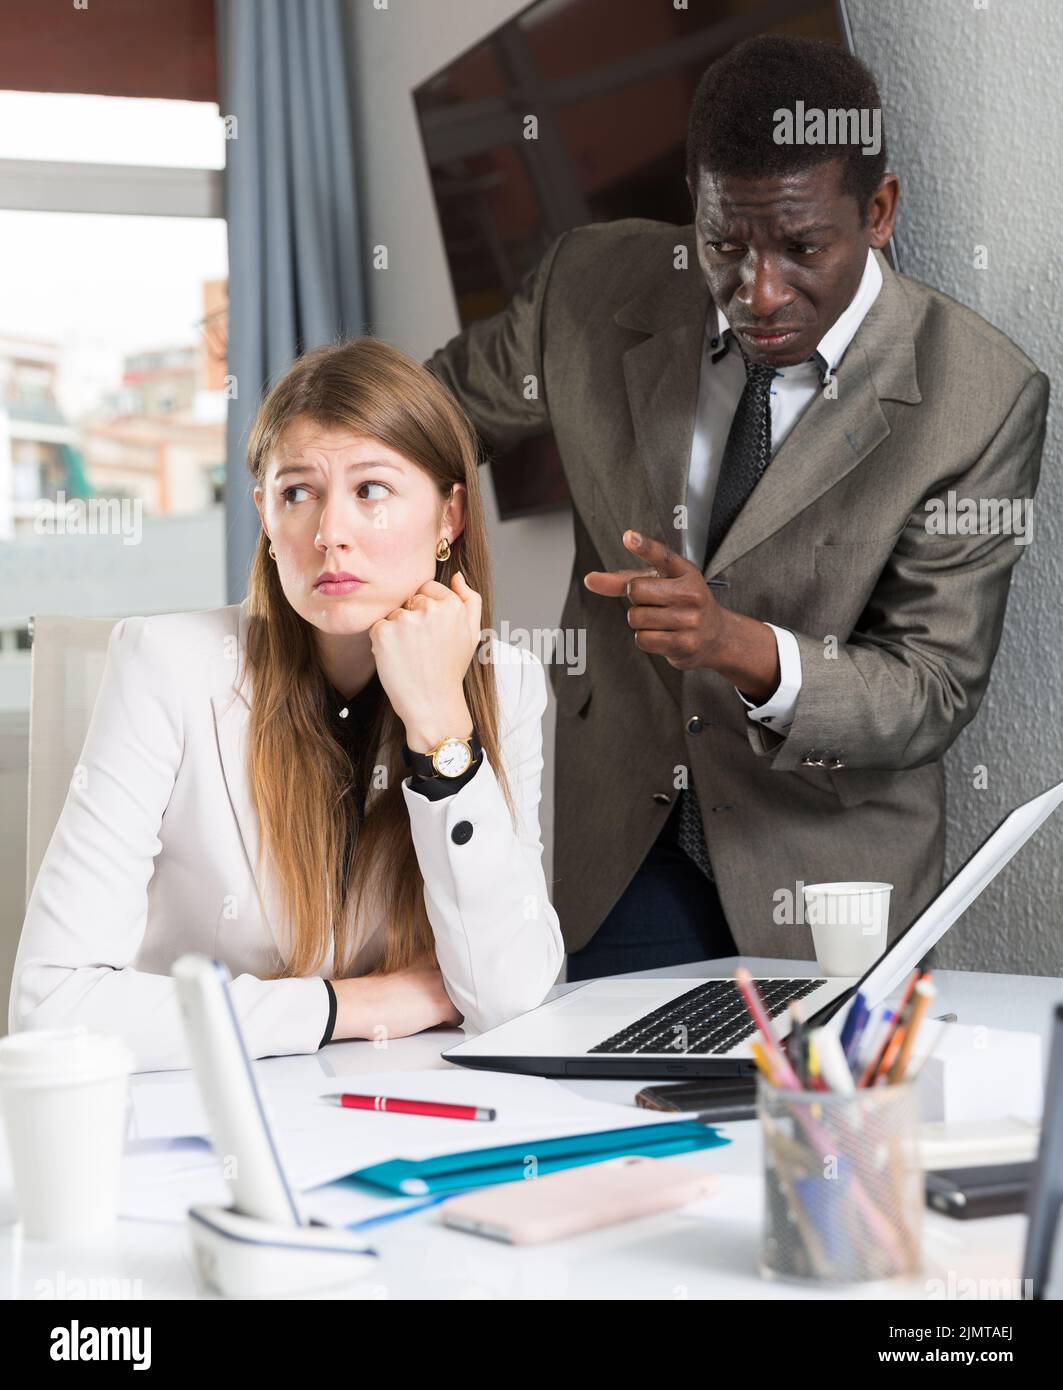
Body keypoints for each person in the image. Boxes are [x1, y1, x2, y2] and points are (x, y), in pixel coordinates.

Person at [426, 35, 1050, 979]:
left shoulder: (980, 395)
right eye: (724, 244)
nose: (757, 292)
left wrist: (735, 645)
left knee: (823, 1133)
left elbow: (929, 689)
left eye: (801, 247)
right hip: (616, 855)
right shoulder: (589, 286)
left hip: (831, 879)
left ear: (877, 213)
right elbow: (421, 423)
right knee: (606, 1116)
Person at [10, 338, 563, 1071]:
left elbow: (512, 997)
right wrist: (355, 1005)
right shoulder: (165, 666)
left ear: (448, 518)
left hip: (403, 1111)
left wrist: (440, 731)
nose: (329, 533)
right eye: (296, 492)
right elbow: (51, 1007)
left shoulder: (507, 681)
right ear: (267, 522)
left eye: (371, 490)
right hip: (206, 1113)